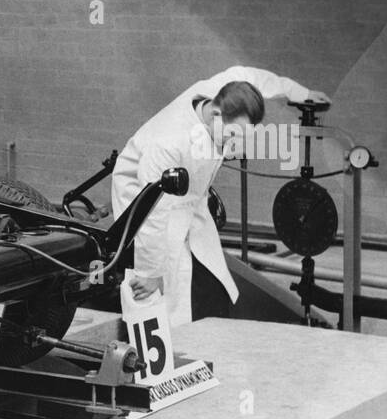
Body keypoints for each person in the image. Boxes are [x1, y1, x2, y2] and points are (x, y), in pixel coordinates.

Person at [111, 66, 330, 326]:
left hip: (188, 198)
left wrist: (301, 93)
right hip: (145, 200)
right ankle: (152, 350)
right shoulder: (168, 141)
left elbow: (253, 76)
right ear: (215, 114)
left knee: (213, 282)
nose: (232, 145)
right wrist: (149, 272)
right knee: (160, 291)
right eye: (232, 134)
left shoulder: (228, 91)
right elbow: (151, 214)